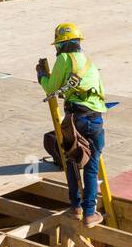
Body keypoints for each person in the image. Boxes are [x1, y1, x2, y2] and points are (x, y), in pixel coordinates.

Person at [38, 22, 107, 226]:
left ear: (60, 45)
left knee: (72, 159)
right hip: (95, 117)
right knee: (92, 166)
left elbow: (51, 88)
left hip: (76, 119)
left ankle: (76, 207)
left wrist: (42, 77)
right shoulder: (88, 62)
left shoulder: (63, 59)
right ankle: (89, 213)